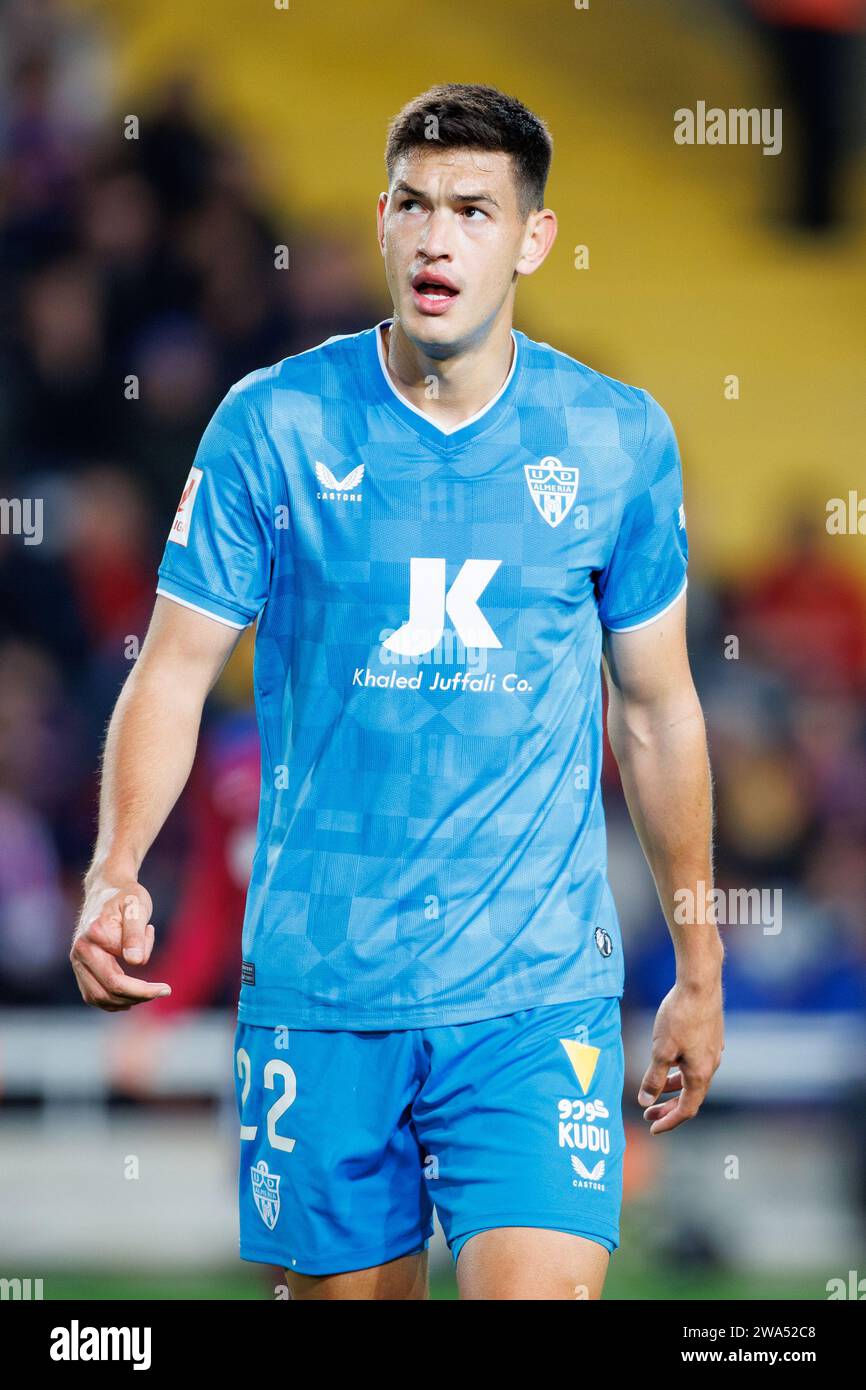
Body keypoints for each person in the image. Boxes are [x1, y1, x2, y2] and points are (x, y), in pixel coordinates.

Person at [72, 83, 724, 1301]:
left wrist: (698, 961)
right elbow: (171, 668)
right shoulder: (271, 426)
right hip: (326, 986)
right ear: (380, 221)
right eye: (415, 206)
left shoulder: (611, 440)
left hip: (533, 995)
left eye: (474, 211)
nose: (437, 239)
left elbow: (655, 709)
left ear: (530, 238)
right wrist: (116, 867)